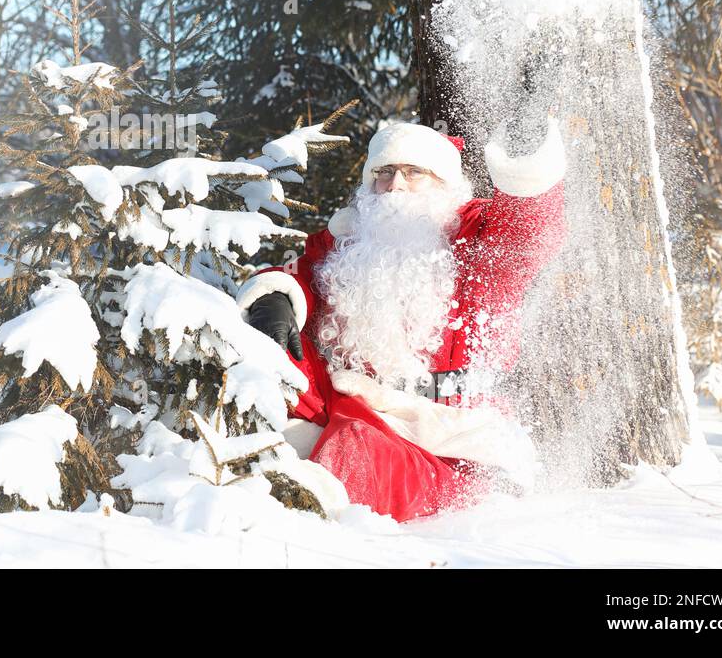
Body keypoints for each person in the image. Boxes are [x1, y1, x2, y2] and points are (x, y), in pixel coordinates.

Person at [236, 108, 567, 522]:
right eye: (385, 172)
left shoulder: (478, 239)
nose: (395, 186)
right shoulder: (348, 239)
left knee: (361, 454)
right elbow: (298, 273)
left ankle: (305, 495)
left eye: (414, 172)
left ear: (444, 183)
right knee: (263, 357)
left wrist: (525, 163)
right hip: (359, 406)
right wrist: (278, 297)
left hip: (452, 437)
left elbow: (527, 230)